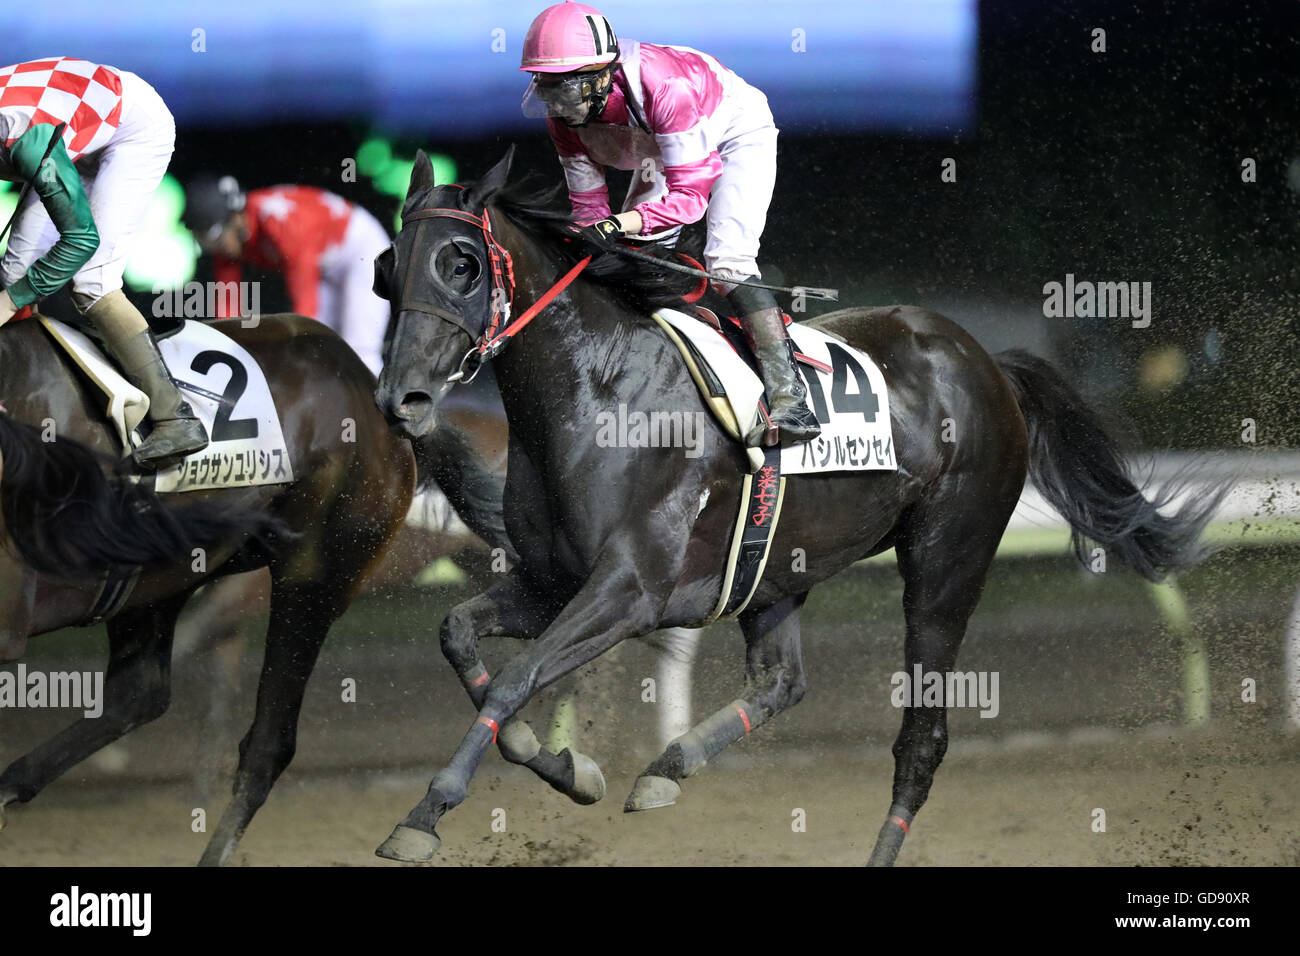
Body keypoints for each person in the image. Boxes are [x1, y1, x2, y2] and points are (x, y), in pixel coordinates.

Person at [519, 1, 820, 446]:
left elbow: (690, 199)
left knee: (727, 260)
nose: (559, 106)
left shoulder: (666, 87)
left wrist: (621, 223)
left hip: (734, 132)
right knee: (629, 256)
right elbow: (588, 207)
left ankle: (789, 397)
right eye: (549, 89)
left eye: (568, 89)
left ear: (603, 74)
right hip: (661, 145)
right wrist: (601, 234)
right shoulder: (563, 117)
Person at [0, 57, 207, 468]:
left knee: (91, 279)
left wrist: (8, 302)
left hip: (130, 126)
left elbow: (80, 239)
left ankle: (175, 418)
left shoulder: (23, 135)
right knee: (11, 274)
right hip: (68, 124)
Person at [184, 178, 392, 377]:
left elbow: (306, 308)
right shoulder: (232, 237)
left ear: (237, 218)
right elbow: (227, 312)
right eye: (203, 240)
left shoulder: (280, 224)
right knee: (325, 351)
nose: (213, 247)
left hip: (360, 250)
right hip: (326, 267)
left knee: (359, 348)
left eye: (213, 237)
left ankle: (381, 413)